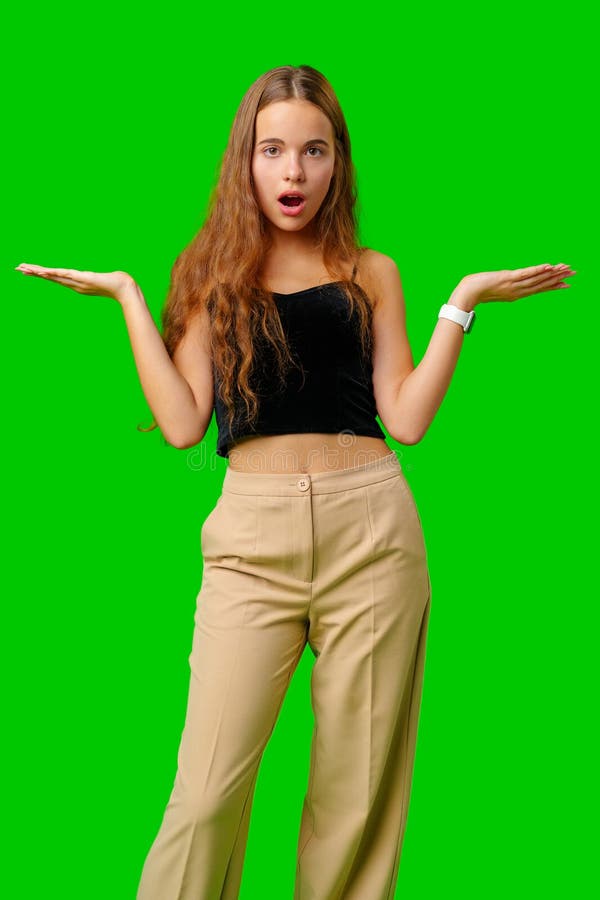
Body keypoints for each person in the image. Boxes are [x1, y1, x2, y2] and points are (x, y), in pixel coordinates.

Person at [15, 64, 575, 900]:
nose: (293, 173)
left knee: (355, 803)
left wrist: (461, 304)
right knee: (205, 797)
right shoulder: (209, 274)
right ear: (246, 160)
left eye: (313, 152)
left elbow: (408, 417)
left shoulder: (372, 272)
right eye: (273, 150)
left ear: (336, 162)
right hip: (250, 543)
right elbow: (180, 427)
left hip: (374, 533)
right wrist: (130, 299)